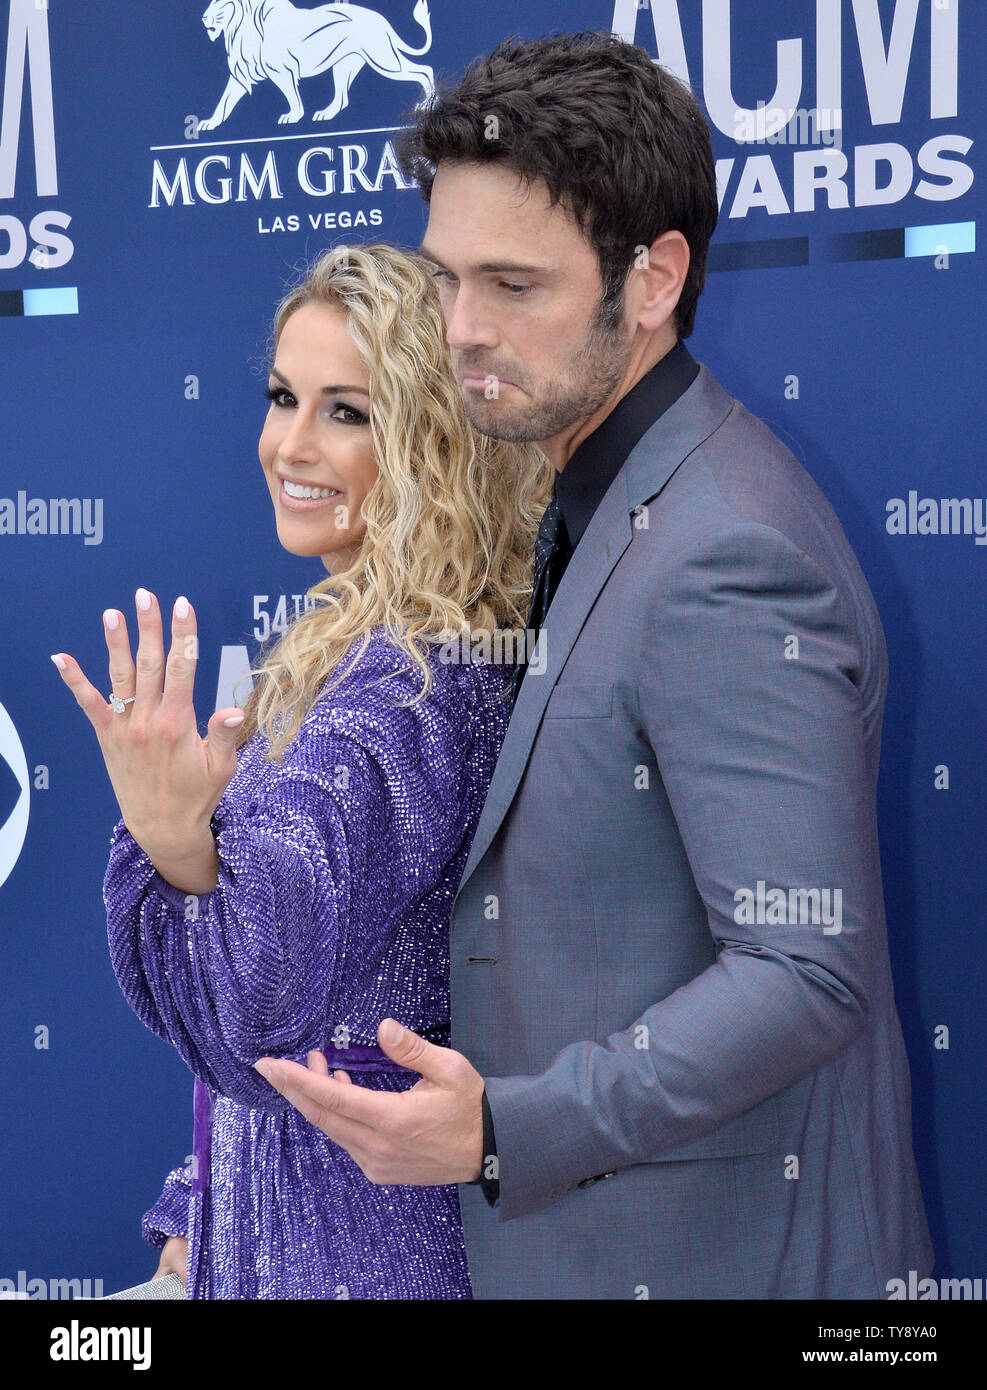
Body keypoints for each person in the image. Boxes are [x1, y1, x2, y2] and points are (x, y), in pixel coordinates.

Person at [254, 32, 936, 1298]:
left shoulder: (726, 549)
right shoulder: (594, 497)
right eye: (448, 278)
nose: (461, 331)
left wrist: (508, 1130)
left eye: (514, 286)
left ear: (654, 278)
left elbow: (804, 969)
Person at [50, 241, 553, 1298]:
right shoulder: (374, 649)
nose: (291, 443)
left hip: (356, 1248)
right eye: (285, 397)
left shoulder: (405, 686)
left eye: (348, 411)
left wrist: (177, 843)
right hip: (303, 1228)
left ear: (431, 441)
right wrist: (195, 1220)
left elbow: (260, 1006)